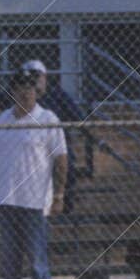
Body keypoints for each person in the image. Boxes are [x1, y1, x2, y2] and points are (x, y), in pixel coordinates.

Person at [0, 65, 66, 279]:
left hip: (35, 201)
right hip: (6, 201)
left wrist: (59, 195)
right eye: (21, 88)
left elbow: (62, 159)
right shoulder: (4, 120)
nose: (26, 93)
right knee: (10, 262)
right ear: (13, 91)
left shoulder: (48, 119)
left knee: (36, 262)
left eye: (31, 88)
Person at [27, 59, 95, 214]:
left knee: (66, 162)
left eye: (38, 76)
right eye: (31, 77)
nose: (35, 80)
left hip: (57, 146)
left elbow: (79, 118)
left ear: (45, 77)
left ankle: (66, 209)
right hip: (32, 148)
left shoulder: (57, 95)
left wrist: (91, 134)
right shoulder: (20, 97)